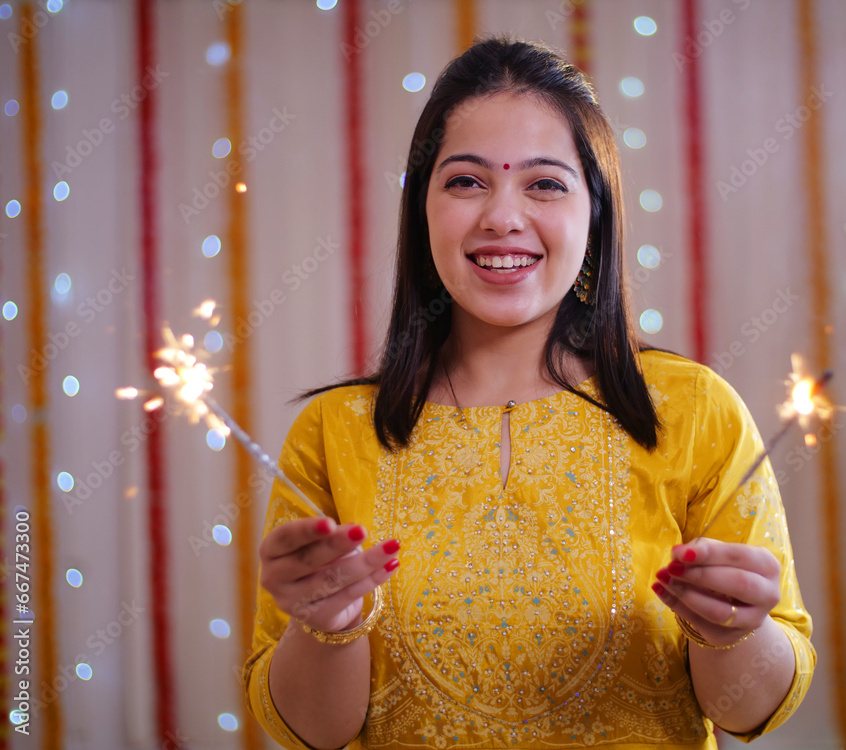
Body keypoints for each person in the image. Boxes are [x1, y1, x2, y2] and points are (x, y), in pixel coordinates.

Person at [244, 35, 815, 750]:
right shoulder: (335, 432)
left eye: (544, 183)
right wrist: (324, 627)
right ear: (422, 214)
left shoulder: (694, 409)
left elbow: (750, 711)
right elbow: (311, 731)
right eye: (465, 181)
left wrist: (736, 633)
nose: (502, 218)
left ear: (595, 212)